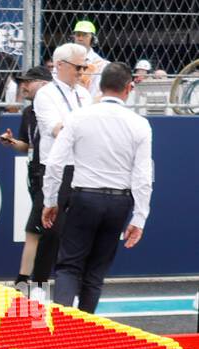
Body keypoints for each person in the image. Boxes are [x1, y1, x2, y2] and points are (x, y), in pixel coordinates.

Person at [42, 62, 151, 315]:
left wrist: (50, 201)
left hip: (84, 197)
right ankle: (85, 332)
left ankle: (62, 329)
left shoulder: (78, 117)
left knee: (69, 266)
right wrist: (140, 216)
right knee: (95, 272)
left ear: (100, 87)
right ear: (129, 88)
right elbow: (143, 175)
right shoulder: (139, 124)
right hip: (119, 201)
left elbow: (55, 163)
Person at [0, 66, 57, 298]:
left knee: (35, 230)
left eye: (28, 82)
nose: (23, 86)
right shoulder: (28, 113)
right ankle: (34, 284)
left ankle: (23, 283)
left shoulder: (54, 111)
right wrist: (12, 142)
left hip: (49, 176)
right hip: (34, 174)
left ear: (43, 85)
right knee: (42, 231)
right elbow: (28, 145)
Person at [33, 43, 91, 275]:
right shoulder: (46, 94)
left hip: (82, 168)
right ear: (59, 65)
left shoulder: (84, 94)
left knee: (79, 234)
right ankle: (38, 289)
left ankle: (70, 290)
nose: (81, 72)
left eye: (84, 67)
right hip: (56, 168)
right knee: (51, 233)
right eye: (78, 67)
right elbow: (57, 130)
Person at [72, 20, 105, 96]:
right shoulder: (65, 58)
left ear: (93, 39)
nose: (80, 38)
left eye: (84, 35)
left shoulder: (100, 63)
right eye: (78, 35)